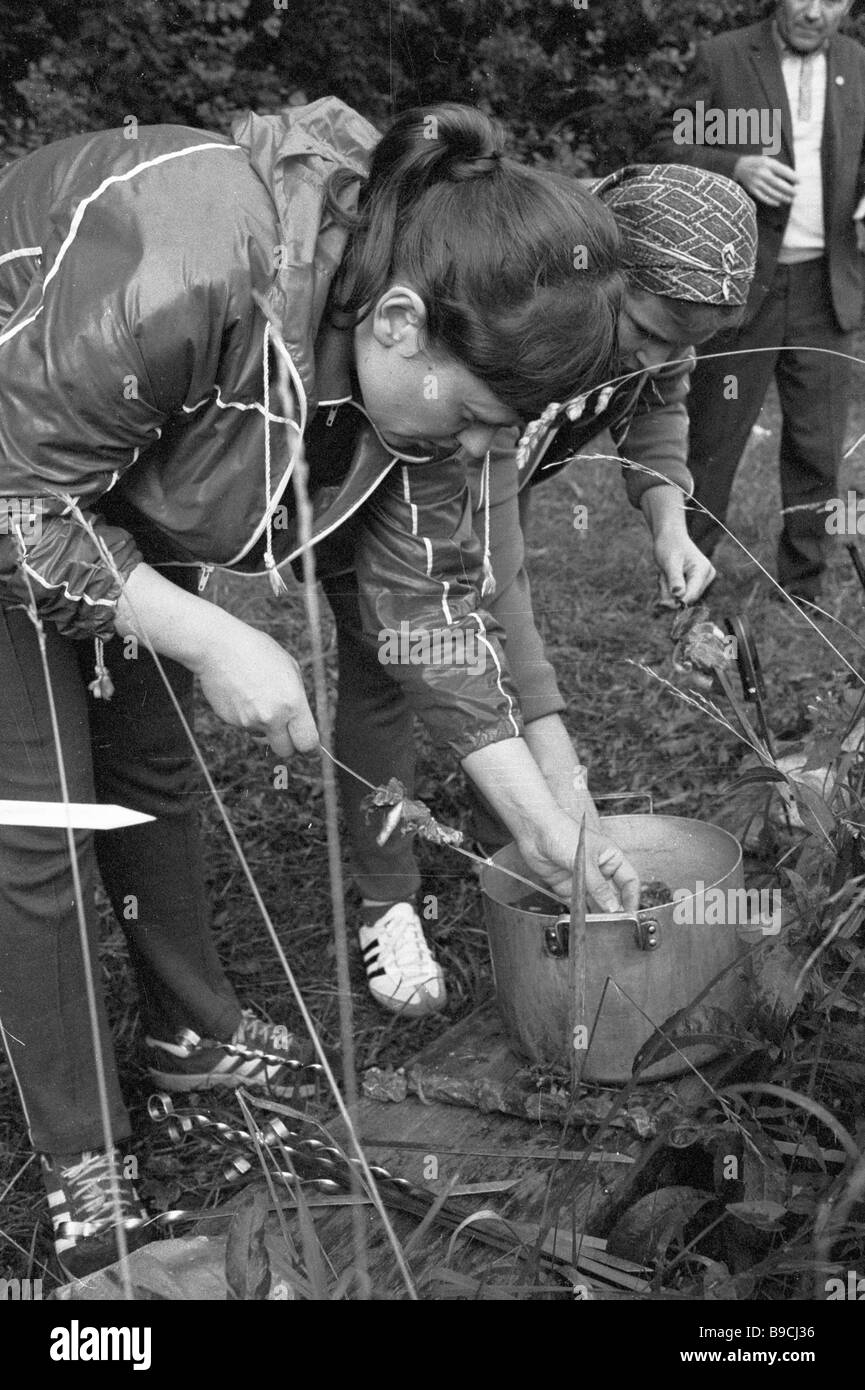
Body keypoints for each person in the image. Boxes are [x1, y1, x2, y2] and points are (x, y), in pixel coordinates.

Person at [0, 98, 635, 1277]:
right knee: (39, 811)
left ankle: (191, 1033)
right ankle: (79, 1148)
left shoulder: (418, 400)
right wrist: (209, 634)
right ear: (399, 322)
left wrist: (548, 829)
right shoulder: (193, 250)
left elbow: (427, 617)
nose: (480, 454)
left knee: (150, 762)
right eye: (477, 420)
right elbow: (21, 507)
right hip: (19, 464)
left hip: (122, 464)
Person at [331, 162, 758, 1015]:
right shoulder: (514, 327)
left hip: (493, 467)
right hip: (406, 473)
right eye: (647, 331)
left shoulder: (650, 327)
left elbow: (659, 403)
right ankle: (388, 899)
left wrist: (667, 519)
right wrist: (560, 776)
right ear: (595, 281)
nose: (659, 358)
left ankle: (524, 850)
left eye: (683, 345)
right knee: (397, 662)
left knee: (479, 662)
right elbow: (498, 590)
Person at [647, 0, 865, 605]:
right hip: (742, 288)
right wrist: (735, 164)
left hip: (828, 289)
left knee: (818, 447)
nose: (814, 12)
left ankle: (802, 585)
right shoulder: (724, 57)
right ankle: (682, 578)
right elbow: (667, 143)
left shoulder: (859, 64)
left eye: (832, 0)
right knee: (713, 440)